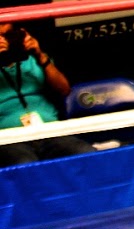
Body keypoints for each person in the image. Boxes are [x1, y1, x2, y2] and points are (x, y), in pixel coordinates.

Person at [0, 21, 92, 167]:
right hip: (9, 138)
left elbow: (64, 90)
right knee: (25, 165)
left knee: (85, 153)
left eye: (7, 35)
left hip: (49, 130)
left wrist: (40, 55)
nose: (2, 40)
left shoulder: (34, 60)